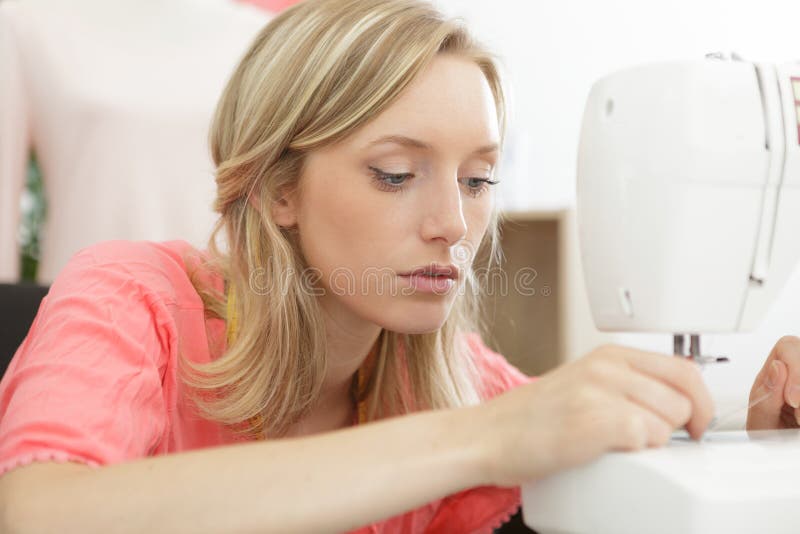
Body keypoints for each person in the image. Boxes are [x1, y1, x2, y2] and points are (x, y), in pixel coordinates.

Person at [0, 0, 797, 532]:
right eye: (394, 174)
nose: (455, 224)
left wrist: (756, 429)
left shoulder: (452, 378)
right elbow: (38, 513)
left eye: (479, 180)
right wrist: (481, 439)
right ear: (281, 187)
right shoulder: (129, 299)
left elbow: (600, 461)